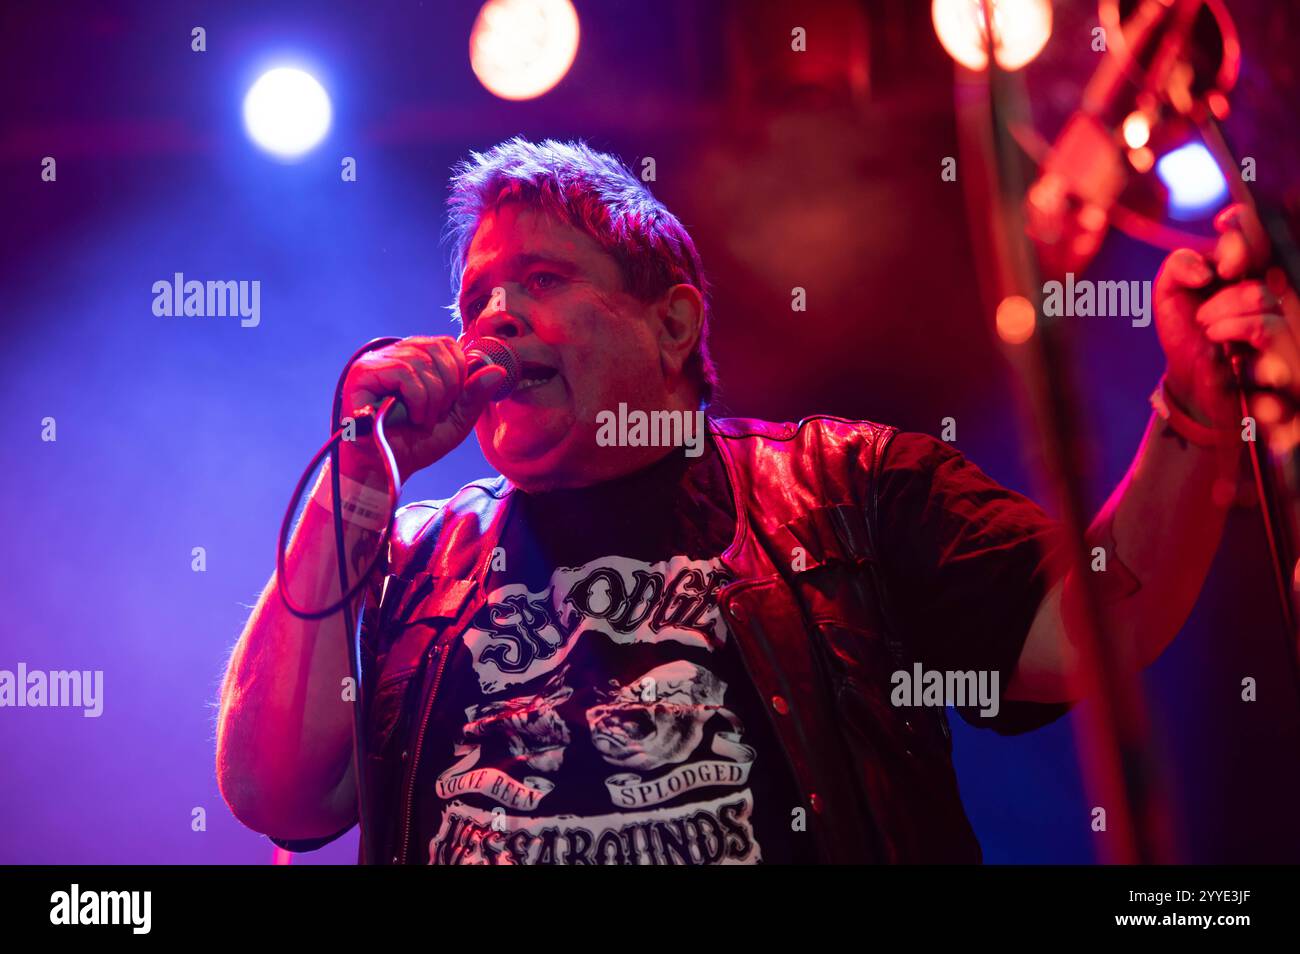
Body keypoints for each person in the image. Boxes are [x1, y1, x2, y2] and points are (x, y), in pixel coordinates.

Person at [216, 137, 1296, 864]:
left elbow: (1089, 629)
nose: (490, 320)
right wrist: (356, 480)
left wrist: (1191, 418)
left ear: (675, 326)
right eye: (474, 300)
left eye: (541, 281)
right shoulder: (409, 554)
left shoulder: (848, 489)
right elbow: (278, 791)